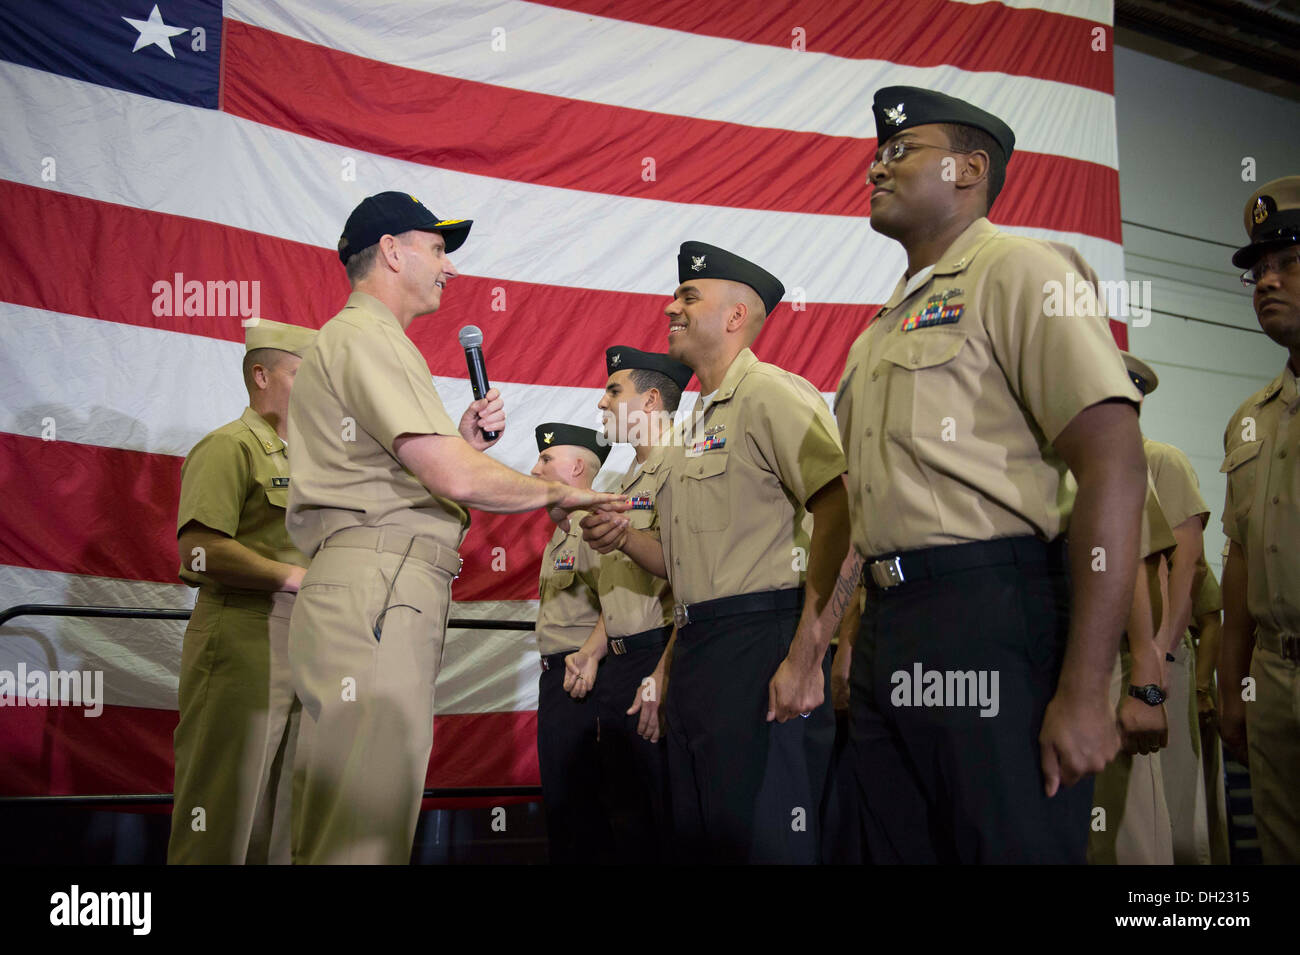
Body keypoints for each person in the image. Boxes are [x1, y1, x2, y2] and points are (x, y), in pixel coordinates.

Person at [834, 86, 1148, 863]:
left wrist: (1086, 688)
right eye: (878, 152)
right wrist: (844, 644)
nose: (877, 165)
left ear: (969, 169)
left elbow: (1113, 462)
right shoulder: (878, 330)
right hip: (890, 624)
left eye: (901, 150)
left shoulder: (1022, 270)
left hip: (994, 613)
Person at [284, 192, 622, 864]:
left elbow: (420, 466)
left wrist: (461, 437)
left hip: (372, 585)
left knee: (357, 812)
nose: (450, 267)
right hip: (379, 586)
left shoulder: (366, 340)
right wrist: (560, 491)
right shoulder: (368, 336)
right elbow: (456, 479)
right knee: (362, 827)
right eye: (437, 248)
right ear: (391, 251)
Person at [582, 243, 850, 864]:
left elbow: (841, 514)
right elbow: (687, 568)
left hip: (765, 641)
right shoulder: (695, 424)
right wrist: (669, 665)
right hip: (699, 649)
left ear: (735, 316)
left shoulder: (773, 395)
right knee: (704, 835)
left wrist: (809, 657)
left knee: (769, 840)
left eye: (688, 297)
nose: (669, 306)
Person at [169, 318, 315, 864]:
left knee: (283, 815)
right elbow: (198, 551)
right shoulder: (229, 446)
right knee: (224, 807)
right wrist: (293, 577)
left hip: (305, 638)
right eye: (302, 375)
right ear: (261, 375)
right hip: (242, 634)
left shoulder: (309, 457)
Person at [562, 346, 692, 861]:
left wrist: (664, 673)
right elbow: (615, 588)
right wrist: (594, 650)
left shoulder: (683, 466)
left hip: (660, 653)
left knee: (667, 818)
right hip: (620, 661)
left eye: (614, 391)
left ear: (652, 400)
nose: (601, 403)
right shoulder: (622, 485)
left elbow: (691, 581)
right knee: (628, 819)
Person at [1218, 175, 1300, 864]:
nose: (1268, 282)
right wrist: (1231, 685)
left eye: (1287, 264)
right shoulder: (1250, 419)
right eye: (1258, 271)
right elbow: (1240, 559)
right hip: (1273, 679)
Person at [1122, 351, 1213, 863]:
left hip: (1162, 647)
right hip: (1138, 649)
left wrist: (1163, 651)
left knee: (1174, 794)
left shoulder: (1161, 458)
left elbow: (1187, 566)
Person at [528, 423, 611, 863]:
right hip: (559, 682)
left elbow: (617, 603)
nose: (534, 470)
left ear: (577, 466)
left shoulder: (593, 527)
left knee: (586, 815)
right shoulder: (562, 533)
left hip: (585, 682)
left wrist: (592, 657)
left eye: (545, 460)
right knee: (563, 811)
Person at [1087, 473, 1175, 865]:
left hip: (1114, 670)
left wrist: (1149, 690)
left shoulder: (1111, 432)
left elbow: (1150, 565)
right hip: (1041, 663)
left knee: (1127, 844)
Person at [1189, 559, 1231, 865]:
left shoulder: (1179, 517)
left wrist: (1201, 690)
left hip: (1189, 679)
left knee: (1198, 801)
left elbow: (1211, 620)